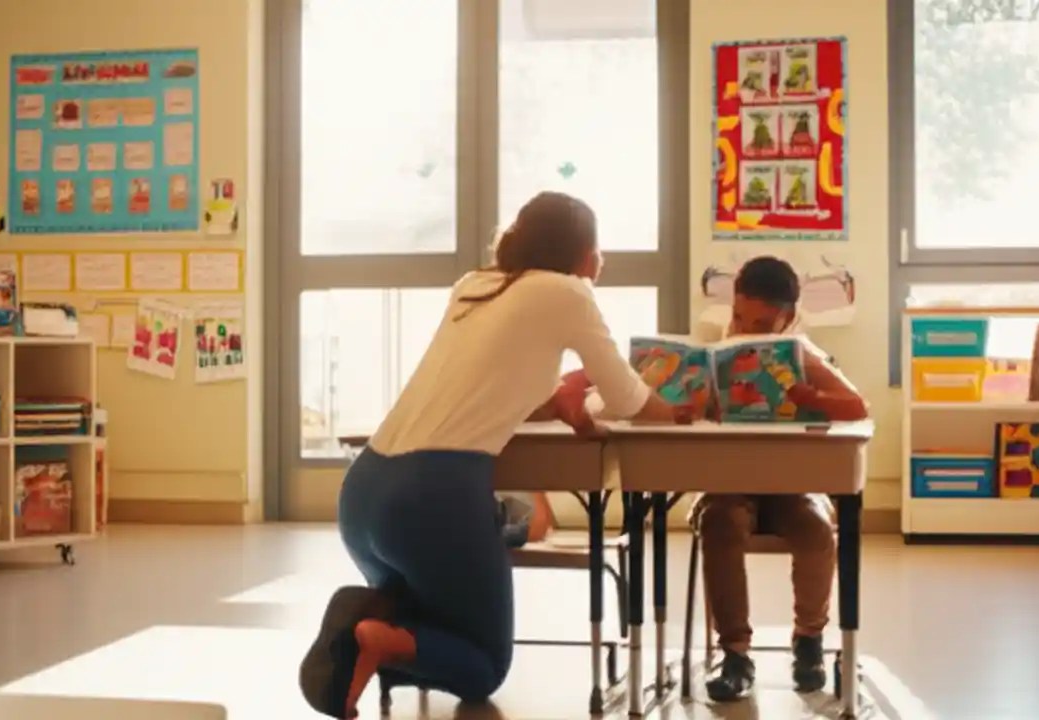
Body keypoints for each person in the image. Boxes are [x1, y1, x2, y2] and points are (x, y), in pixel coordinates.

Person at [299, 191, 687, 719]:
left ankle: (380, 624)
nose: (601, 260)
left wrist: (559, 405)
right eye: (597, 249)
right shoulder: (568, 292)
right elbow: (627, 399)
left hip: (366, 489)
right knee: (483, 666)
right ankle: (375, 635)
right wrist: (680, 411)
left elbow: (484, 382)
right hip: (433, 496)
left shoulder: (475, 285)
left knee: (438, 617)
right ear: (578, 251)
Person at [694, 255, 868, 702]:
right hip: (729, 486)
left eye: (761, 322)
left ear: (786, 319)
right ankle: (734, 653)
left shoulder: (801, 354)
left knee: (814, 527)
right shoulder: (718, 353)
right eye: (737, 316)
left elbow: (856, 407)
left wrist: (808, 395)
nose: (744, 329)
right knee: (720, 523)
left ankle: (808, 640)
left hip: (791, 486)